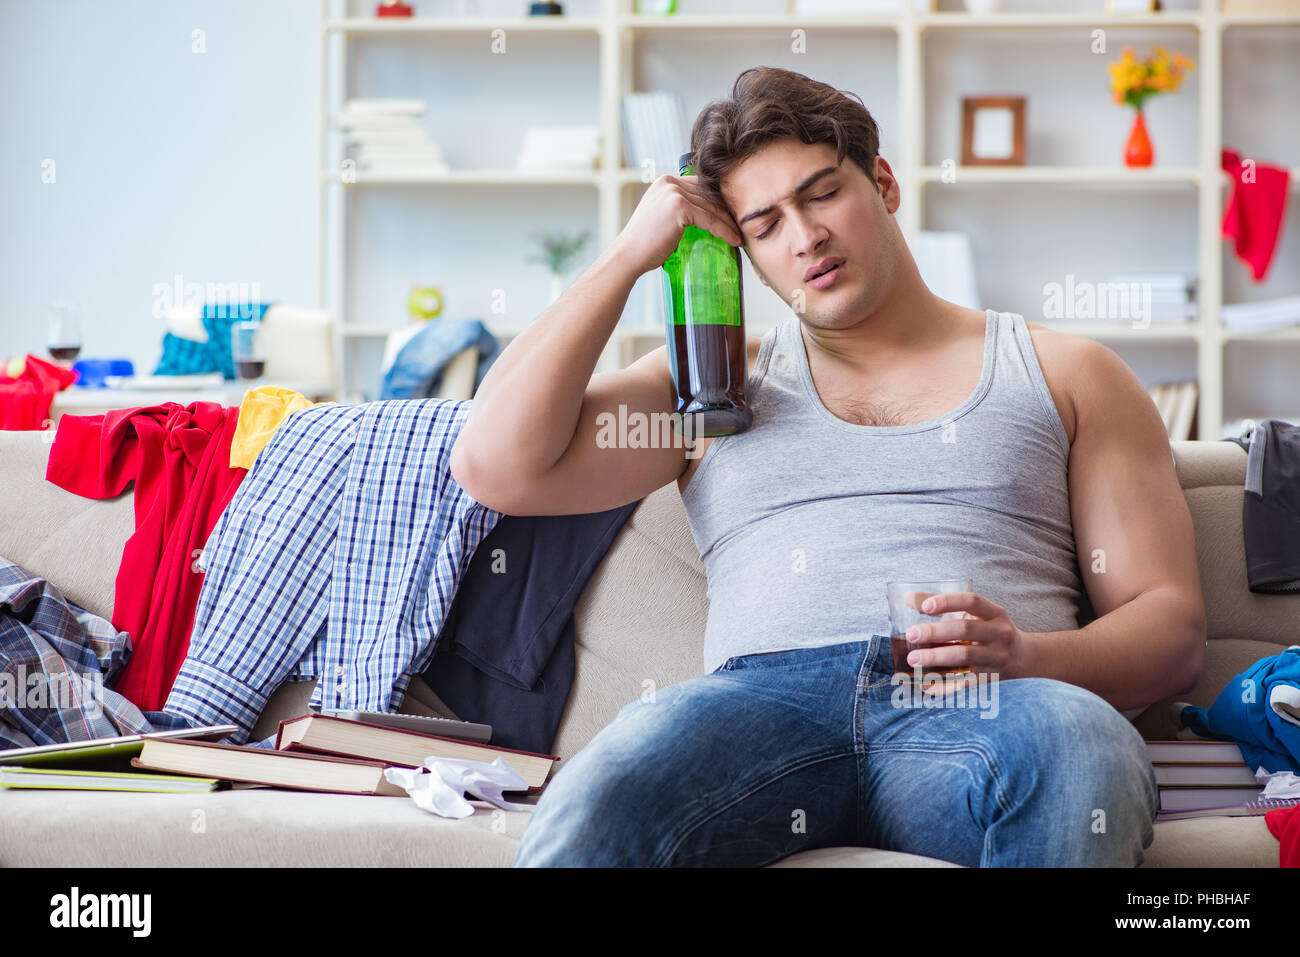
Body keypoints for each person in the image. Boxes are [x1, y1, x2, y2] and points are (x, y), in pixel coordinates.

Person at [450, 66, 1207, 867]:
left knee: (1084, 744)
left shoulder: (1067, 370)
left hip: (984, 706)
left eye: (820, 194)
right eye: (765, 223)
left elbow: (1172, 628)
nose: (804, 237)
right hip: (754, 711)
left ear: (883, 183)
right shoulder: (709, 385)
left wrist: (1029, 657)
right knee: (608, 778)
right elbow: (493, 464)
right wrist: (629, 256)